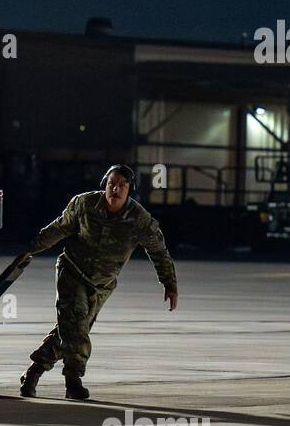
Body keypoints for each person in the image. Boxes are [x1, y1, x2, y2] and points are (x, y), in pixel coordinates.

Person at [17, 164, 178, 400]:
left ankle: (33, 372)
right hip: (72, 272)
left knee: (70, 331)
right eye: (112, 183)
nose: (116, 189)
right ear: (105, 184)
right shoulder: (84, 204)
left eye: (122, 186)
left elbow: (159, 251)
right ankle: (73, 381)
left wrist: (169, 284)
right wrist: (31, 249)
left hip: (102, 285)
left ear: (129, 191)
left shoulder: (139, 220)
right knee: (76, 327)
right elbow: (59, 228)